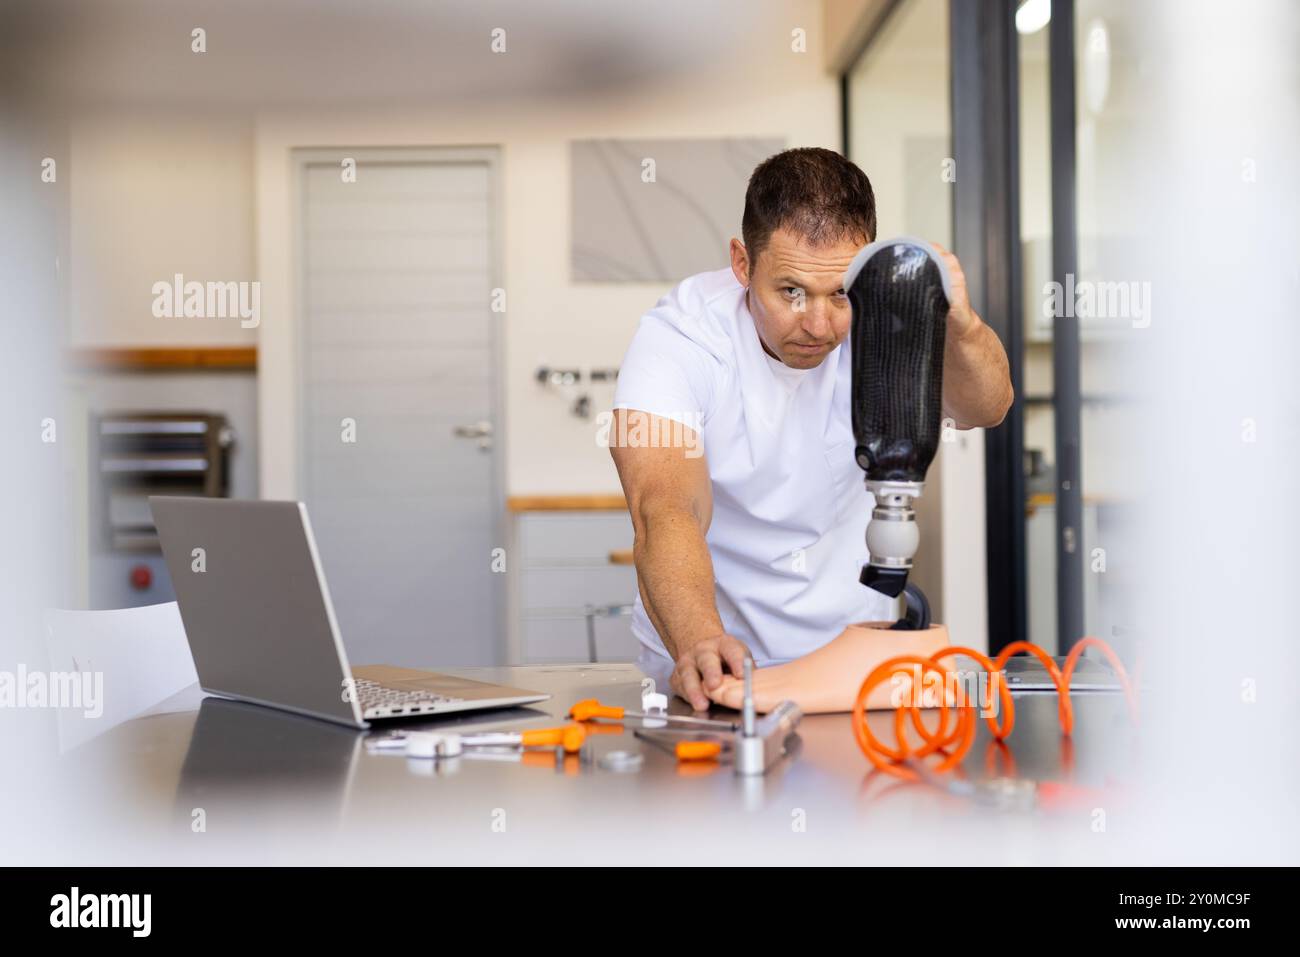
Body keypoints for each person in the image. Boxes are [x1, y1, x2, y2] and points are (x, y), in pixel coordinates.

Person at [609, 147, 1012, 711]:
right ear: (743, 264)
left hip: (849, 662)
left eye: (840, 293)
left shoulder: (883, 313)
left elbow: (987, 407)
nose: (820, 326)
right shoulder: (680, 338)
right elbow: (666, 508)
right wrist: (700, 643)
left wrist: (960, 324)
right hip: (709, 659)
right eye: (792, 292)